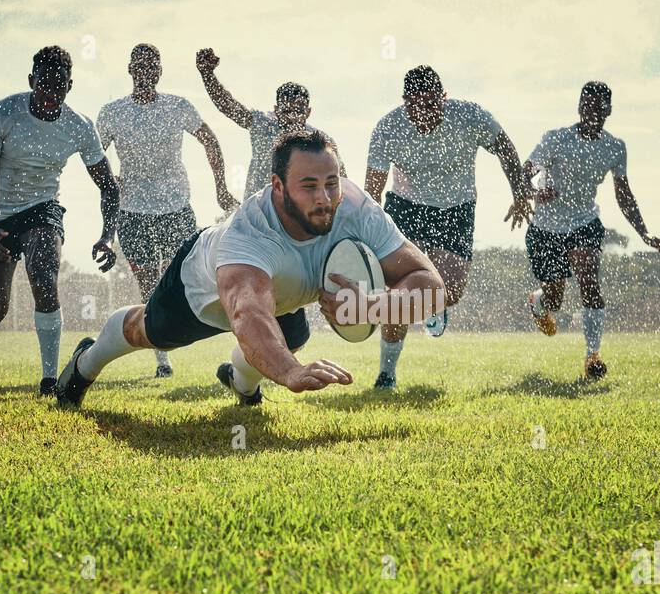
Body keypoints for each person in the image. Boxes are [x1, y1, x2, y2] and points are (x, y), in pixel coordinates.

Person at [55, 130, 445, 408]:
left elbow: (431, 287)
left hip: (280, 299)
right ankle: (85, 362)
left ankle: (241, 385)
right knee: (150, 333)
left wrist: (374, 306)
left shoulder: (358, 209)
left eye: (331, 182)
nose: (325, 198)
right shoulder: (249, 234)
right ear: (277, 186)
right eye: (308, 186)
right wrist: (291, 372)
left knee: (286, 340)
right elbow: (247, 314)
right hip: (202, 288)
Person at [364, 65, 532, 389]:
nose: (424, 112)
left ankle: (434, 304)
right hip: (405, 207)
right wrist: (365, 236)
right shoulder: (388, 128)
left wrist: (520, 192)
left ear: (444, 97)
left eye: (432, 103)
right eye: (416, 105)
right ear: (405, 102)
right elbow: (371, 190)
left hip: (456, 208)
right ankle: (387, 374)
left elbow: (506, 149)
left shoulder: (470, 116)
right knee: (397, 294)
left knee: (449, 291)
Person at [0, 45, 120, 395]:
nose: (51, 95)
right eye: (45, 85)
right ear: (32, 81)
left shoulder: (79, 126)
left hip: (42, 209)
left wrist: (107, 236)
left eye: (60, 86)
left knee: (44, 272)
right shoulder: (2, 113)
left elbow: (109, 187)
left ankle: (49, 380)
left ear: (70, 86)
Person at [96, 43, 237, 378]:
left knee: (189, 278)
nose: (145, 71)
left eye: (152, 66)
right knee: (148, 286)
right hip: (132, 211)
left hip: (176, 206)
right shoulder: (112, 112)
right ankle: (162, 359)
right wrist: (110, 182)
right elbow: (95, 158)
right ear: (130, 70)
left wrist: (220, 188)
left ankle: (233, 335)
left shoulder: (177, 106)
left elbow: (210, 140)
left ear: (159, 72)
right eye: (139, 66)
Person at [524, 81, 660, 379]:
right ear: (579, 107)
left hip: (584, 223)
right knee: (556, 298)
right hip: (546, 227)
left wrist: (644, 232)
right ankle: (539, 302)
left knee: (589, 282)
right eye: (586, 104)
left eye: (597, 106)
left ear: (608, 110)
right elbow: (526, 171)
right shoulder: (556, 138)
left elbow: (623, 194)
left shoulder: (615, 147)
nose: (591, 110)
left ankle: (592, 356)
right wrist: (532, 192)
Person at [194, 47, 342, 196]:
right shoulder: (263, 126)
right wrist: (207, 75)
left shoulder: (321, 142)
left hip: (298, 214)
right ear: (276, 110)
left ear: (308, 112)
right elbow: (229, 106)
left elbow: (341, 184)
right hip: (258, 211)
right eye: (286, 111)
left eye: (298, 112)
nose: (292, 117)